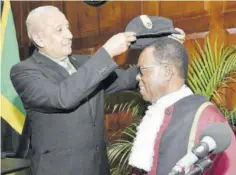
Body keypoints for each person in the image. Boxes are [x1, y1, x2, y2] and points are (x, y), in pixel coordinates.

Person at [10, 6, 185, 175]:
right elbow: (62, 98)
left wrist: (165, 46)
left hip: (98, 168)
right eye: (59, 30)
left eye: (68, 27)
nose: (70, 35)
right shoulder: (24, 72)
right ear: (39, 39)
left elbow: (126, 79)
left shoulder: (85, 63)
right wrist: (107, 52)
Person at [128, 37, 236, 175]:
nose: (137, 77)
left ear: (167, 72)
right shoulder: (154, 115)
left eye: (142, 70)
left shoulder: (206, 117)